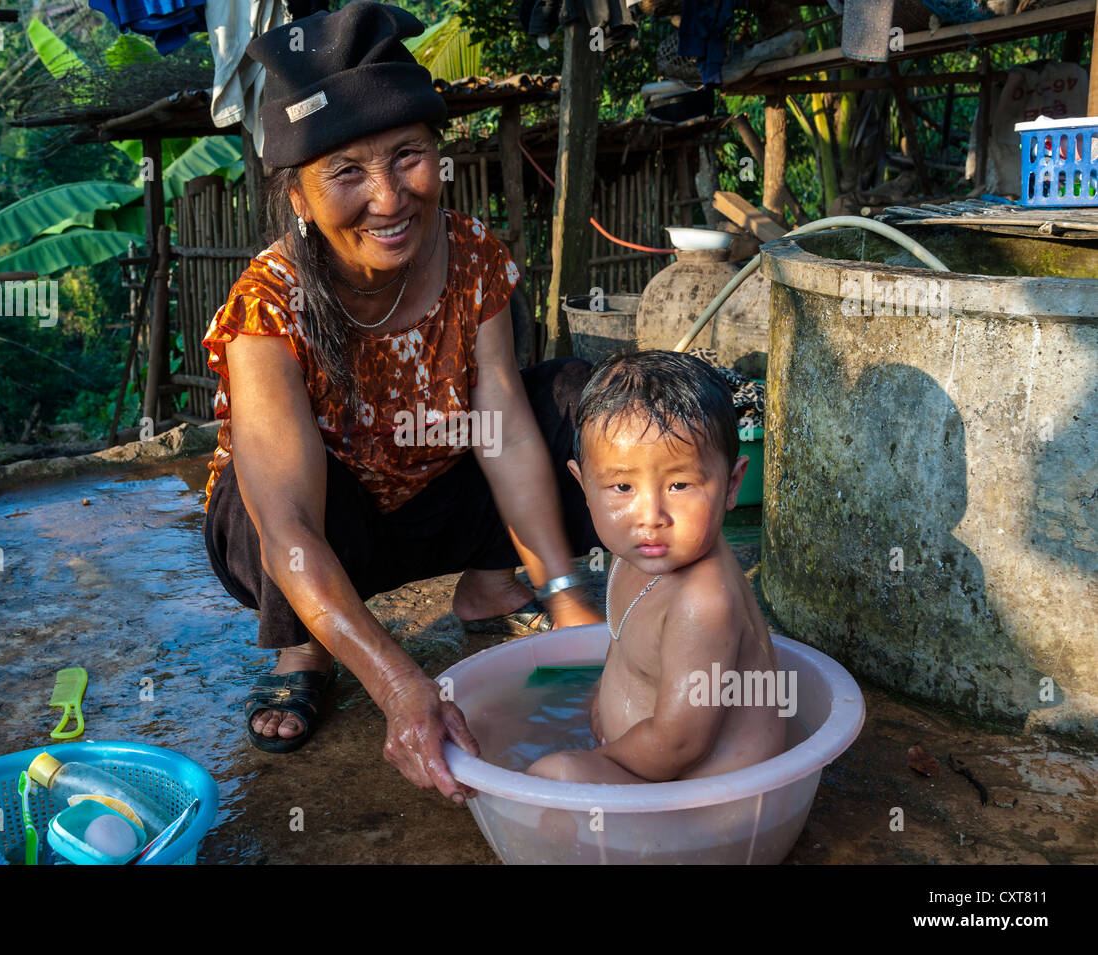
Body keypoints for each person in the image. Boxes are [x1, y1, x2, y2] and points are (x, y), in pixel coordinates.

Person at [201, 1, 604, 804]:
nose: (388, 197)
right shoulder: (267, 307)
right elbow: (288, 527)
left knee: (579, 399)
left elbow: (506, 432)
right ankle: (306, 648)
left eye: (408, 156)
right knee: (266, 497)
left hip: (437, 489)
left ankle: (497, 582)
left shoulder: (473, 254)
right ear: (301, 200)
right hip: (328, 526)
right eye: (347, 172)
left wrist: (568, 603)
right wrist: (398, 682)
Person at [527, 351, 786, 783]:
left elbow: (679, 745)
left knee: (556, 774)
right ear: (584, 488)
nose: (650, 515)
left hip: (706, 803)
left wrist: (599, 762)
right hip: (647, 763)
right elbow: (622, 641)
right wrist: (602, 700)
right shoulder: (634, 553)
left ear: (732, 484)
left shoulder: (702, 602)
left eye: (680, 485)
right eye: (622, 486)